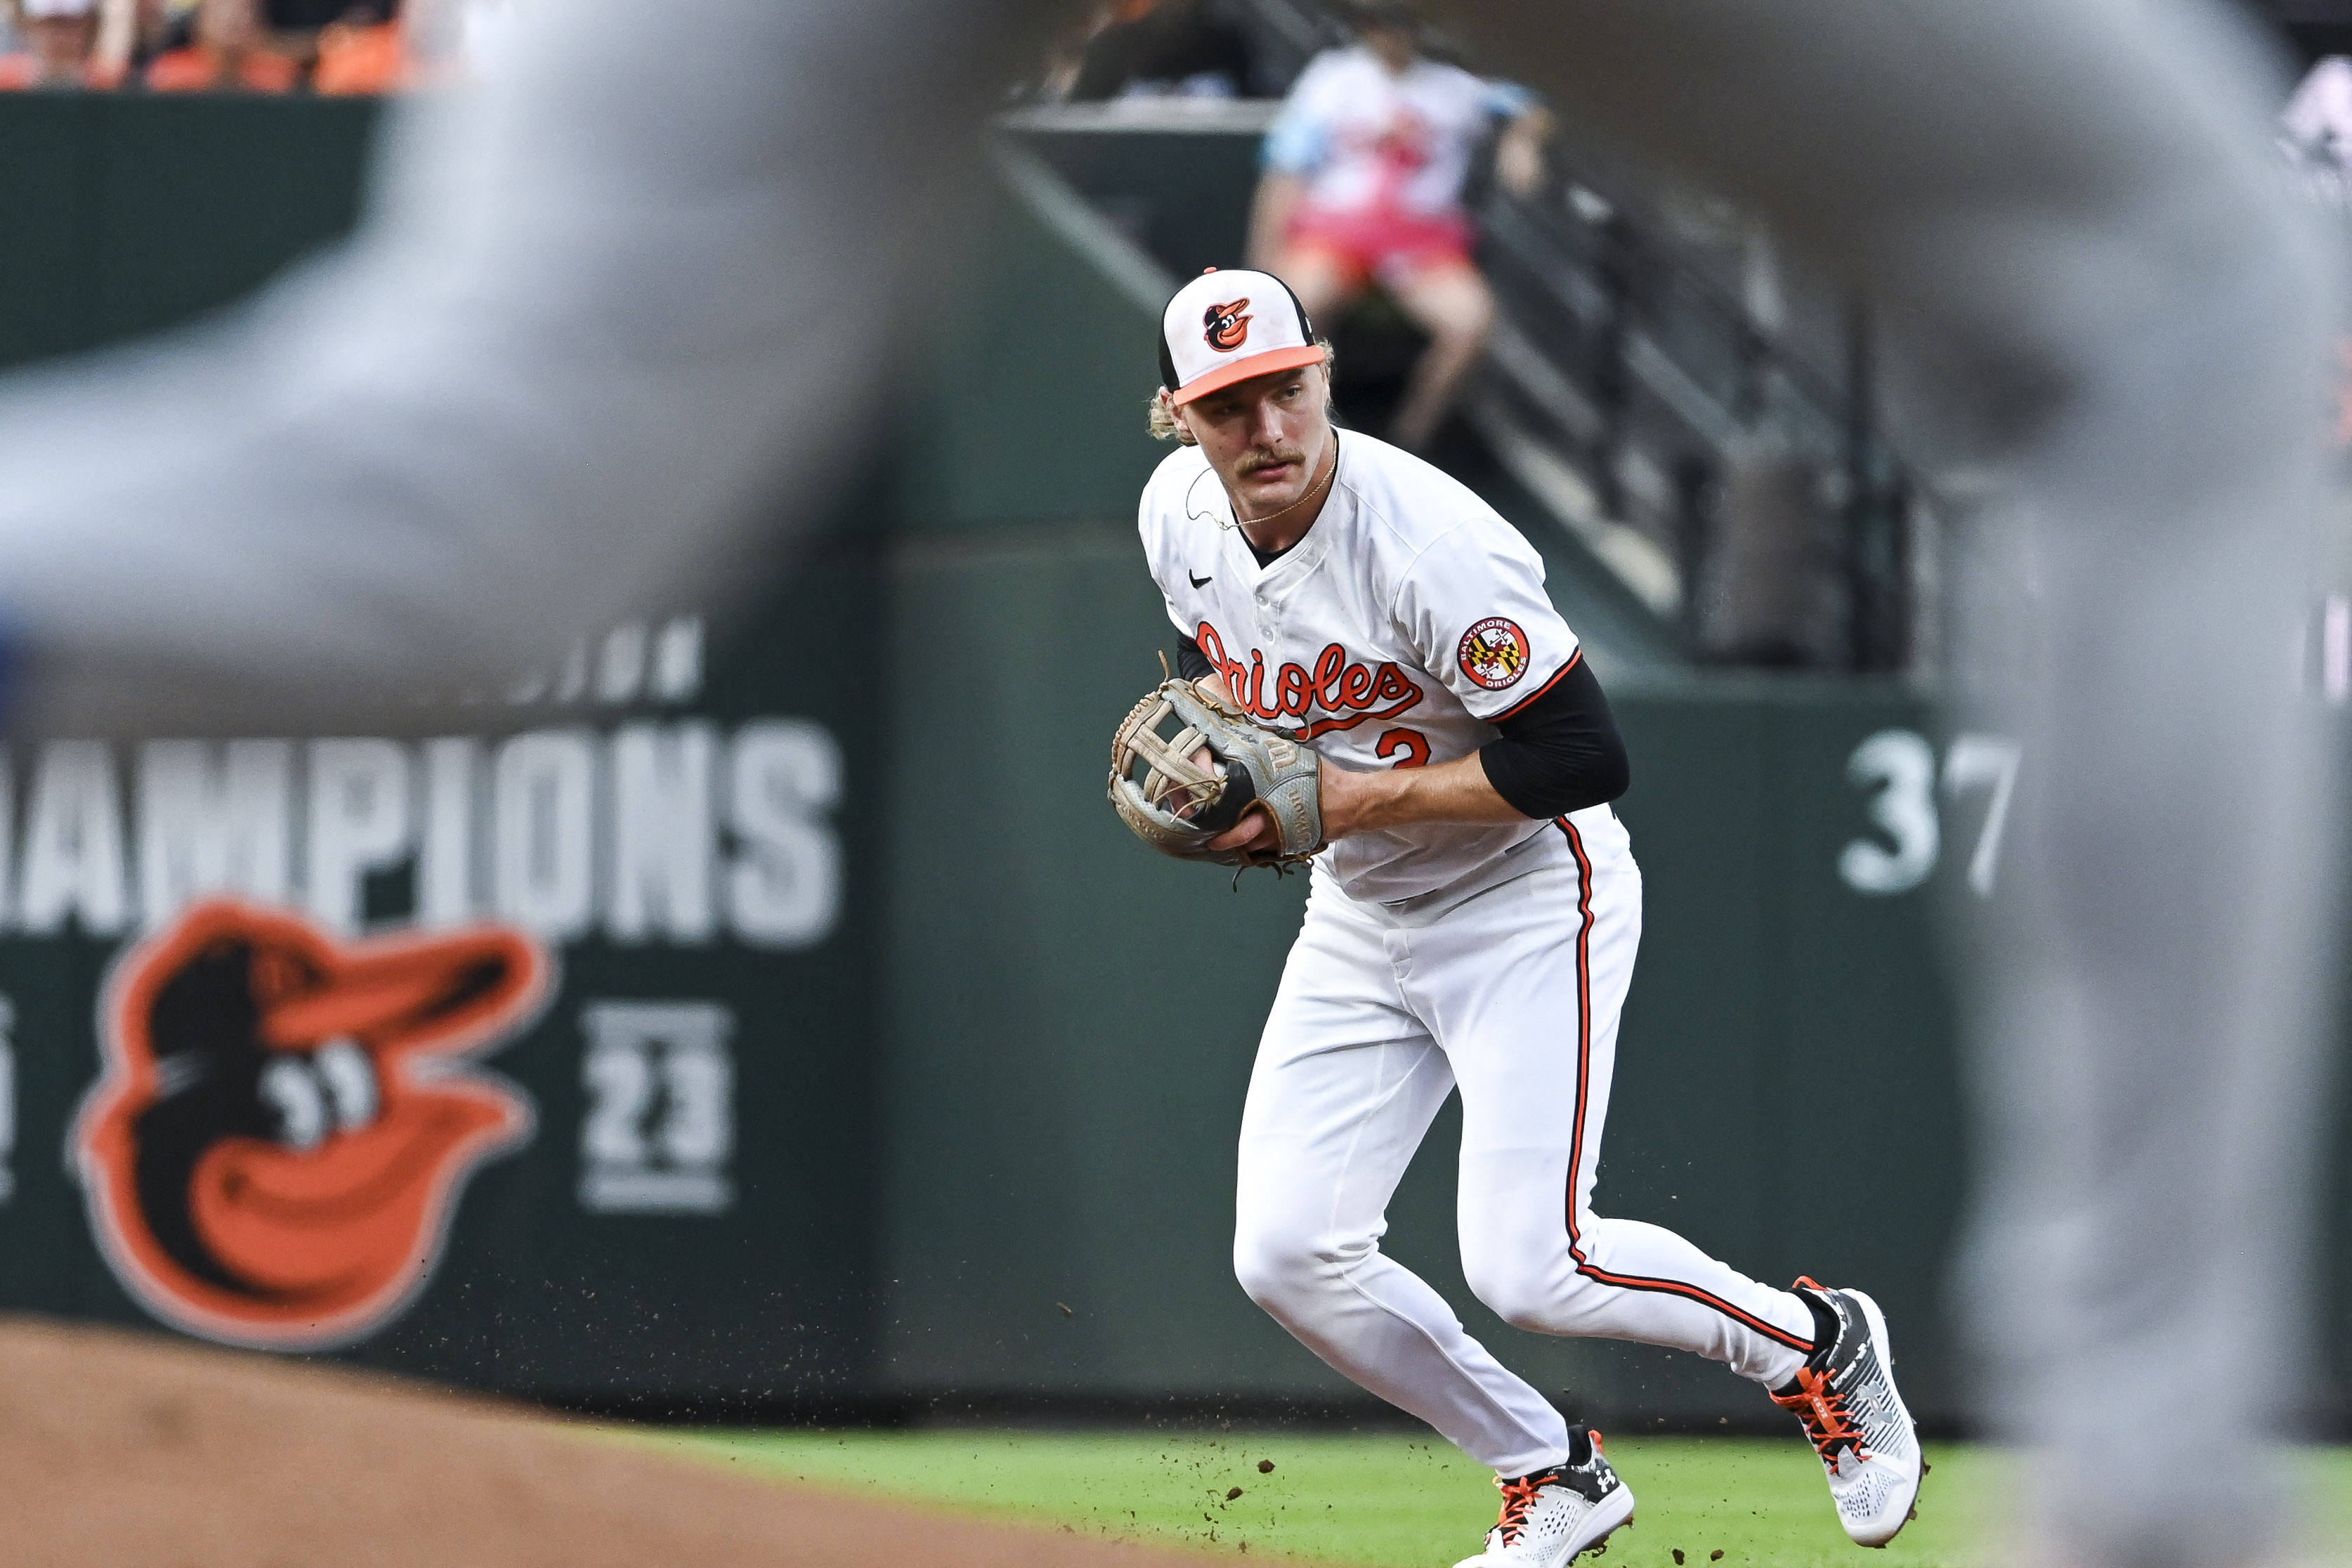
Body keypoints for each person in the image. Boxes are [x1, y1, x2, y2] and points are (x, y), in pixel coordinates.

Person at [1137, 265, 1924, 1565]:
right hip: (1360, 911)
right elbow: (1220, 674)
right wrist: (1241, 783)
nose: (1265, 430)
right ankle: (1549, 1470)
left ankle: (1819, 1343)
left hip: (1522, 896)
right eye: (1229, 407)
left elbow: (1580, 756)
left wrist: (1338, 798)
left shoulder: (1428, 541)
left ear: (1322, 372)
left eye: (1284, 390)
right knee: (1285, 1252)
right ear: (1179, 417)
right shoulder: (1177, 517)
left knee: (1533, 1267)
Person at [1248, 1, 1550, 452]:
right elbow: (1285, 170)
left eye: (1404, 23)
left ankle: (1411, 443)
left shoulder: (1453, 86)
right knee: (1297, 312)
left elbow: (1526, 105)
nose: (1394, 34)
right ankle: (1304, 436)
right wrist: (1262, 263)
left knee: (1471, 321)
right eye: (1382, 23)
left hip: (1419, 241)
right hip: (1338, 232)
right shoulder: (1333, 79)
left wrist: (1522, 143)